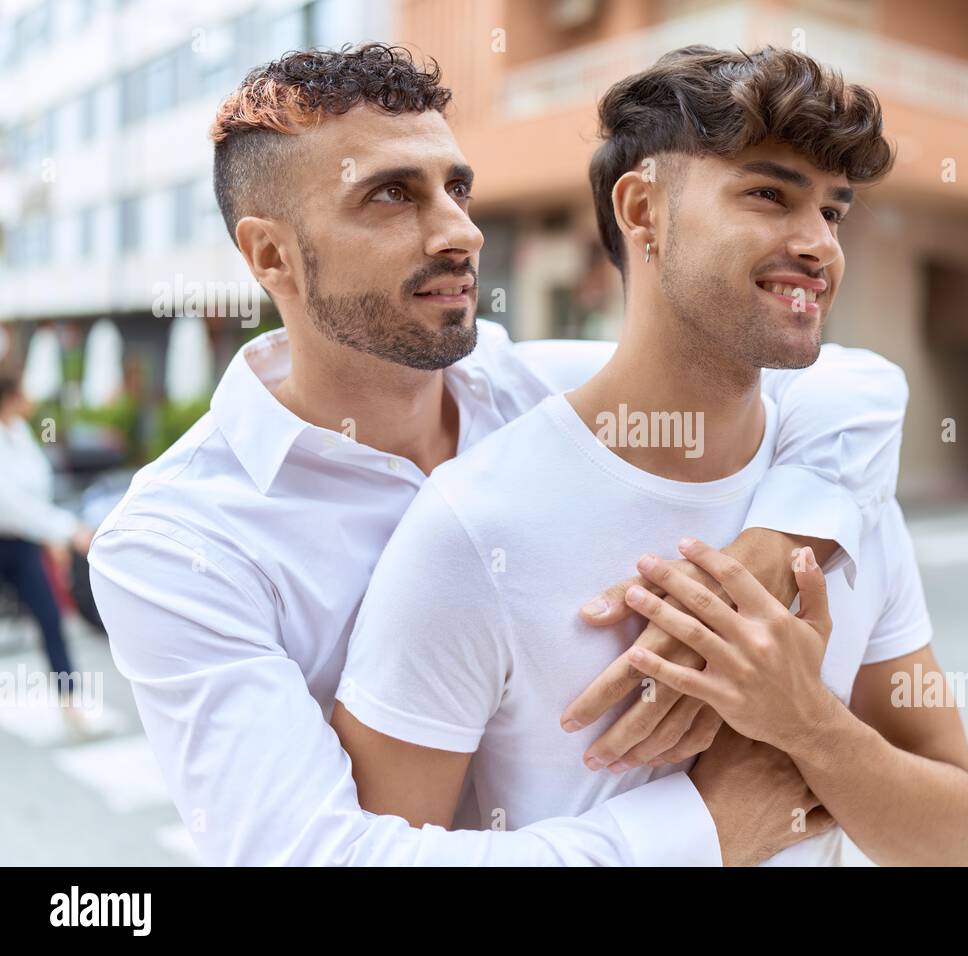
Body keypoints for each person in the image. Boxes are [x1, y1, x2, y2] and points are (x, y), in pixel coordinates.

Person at [87, 44, 907, 866]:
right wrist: (704, 830)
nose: (460, 231)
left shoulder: (533, 390)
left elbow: (853, 389)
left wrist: (770, 550)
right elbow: (310, 856)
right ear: (271, 256)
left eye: (457, 187)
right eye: (391, 196)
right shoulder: (176, 544)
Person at [332, 45, 968, 866]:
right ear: (642, 211)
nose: (819, 245)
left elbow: (955, 843)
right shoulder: (472, 529)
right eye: (769, 196)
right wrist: (703, 830)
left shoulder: (839, 505)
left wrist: (807, 724)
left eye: (833, 212)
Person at [0, 371, 100, 738]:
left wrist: (50, 535)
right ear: (10, 395)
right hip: (12, 534)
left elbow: (33, 494)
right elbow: (9, 503)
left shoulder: (20, 432)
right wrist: (65, 530)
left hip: (23, 542)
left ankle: (72, 703)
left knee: (49, 618)